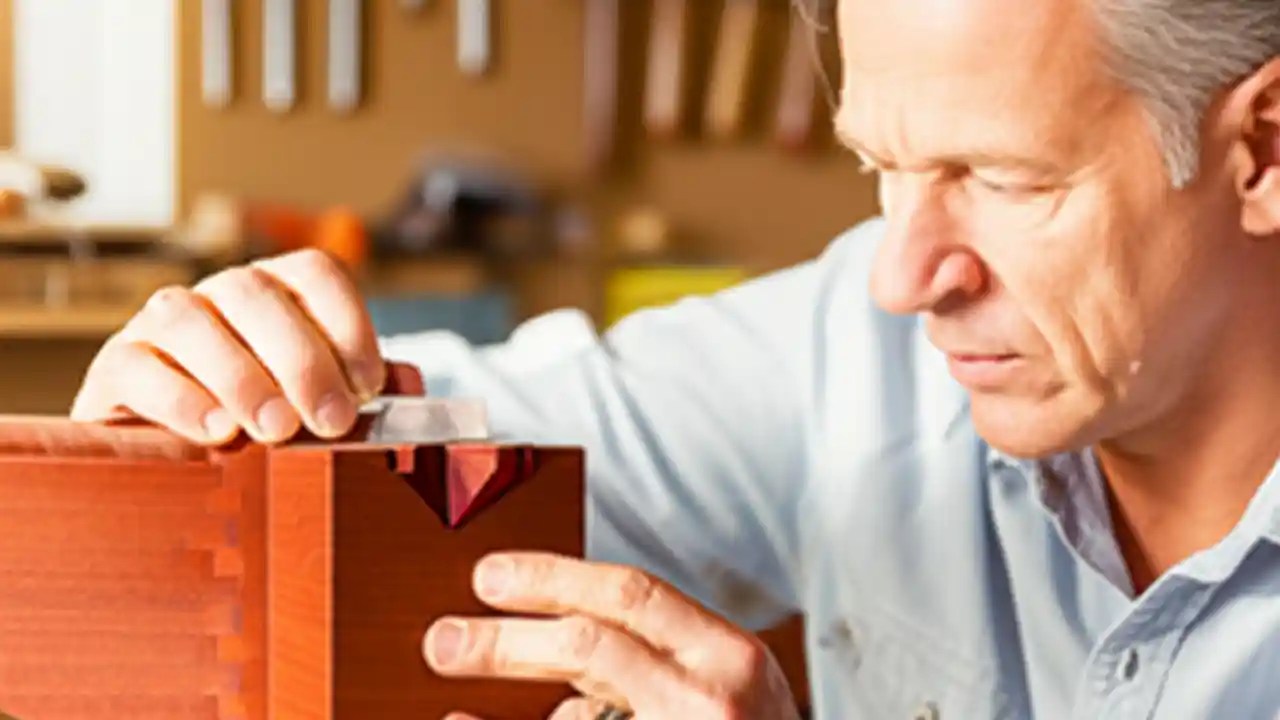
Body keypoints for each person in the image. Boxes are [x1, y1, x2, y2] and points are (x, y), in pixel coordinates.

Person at [72, 0, 1280, 717]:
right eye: (883, 171)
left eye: (1001, 181)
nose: (900, 278)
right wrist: (189, 418)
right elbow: (429, 454)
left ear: (1262, 151)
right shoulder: (849, 357)